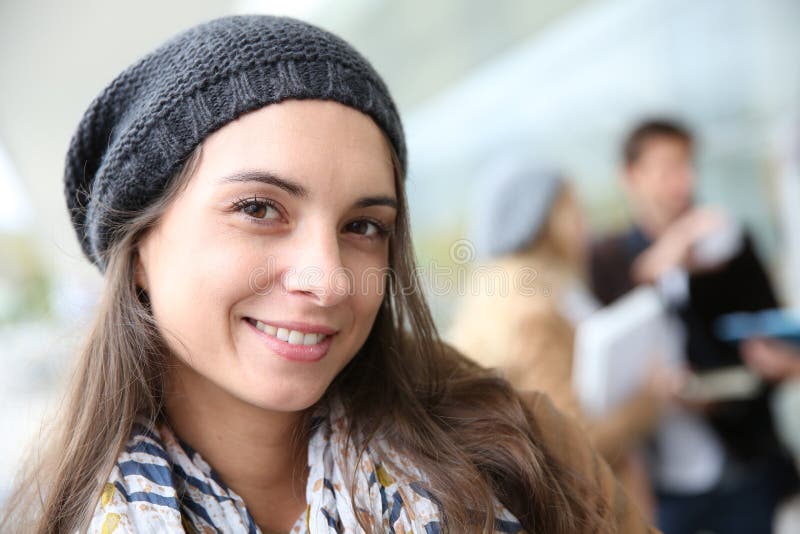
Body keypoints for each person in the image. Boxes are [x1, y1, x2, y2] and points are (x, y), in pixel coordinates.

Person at [0, 16, 655, 534]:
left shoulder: (515, 441)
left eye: (363, 225)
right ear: (139, 249)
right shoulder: (50, 518)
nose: (333, 281)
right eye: (259, 209)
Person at [590, 118, 798, 534]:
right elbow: (601, 360)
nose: (684, 182)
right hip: (661, 481)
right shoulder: (608, 260)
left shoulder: (730, 247)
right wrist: (663, 262)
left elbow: (774, 337)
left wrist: (773, 364)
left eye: (688, 165)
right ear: (631, 177)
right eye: (668, 168)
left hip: (745, 461)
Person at [447, 161, 673, 517]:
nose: (585, 225)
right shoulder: (530, 312)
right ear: (542, 221)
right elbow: (571, 442)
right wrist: (646, 401)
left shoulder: (501, 295)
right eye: (574, 211)